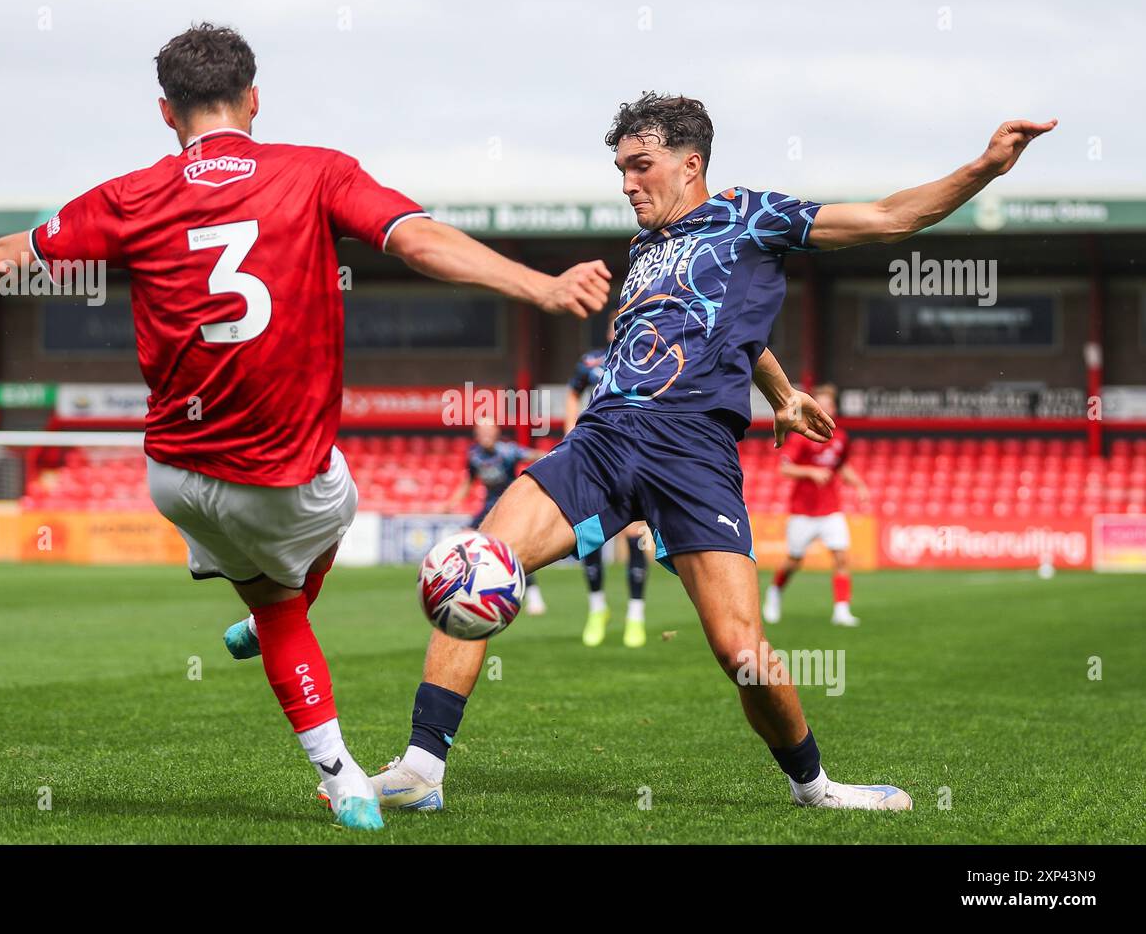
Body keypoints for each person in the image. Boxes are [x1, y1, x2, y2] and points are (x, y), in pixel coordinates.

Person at [0, 23, 610, 831]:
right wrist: (540, 288)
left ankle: (340, 777)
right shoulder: (315, 172)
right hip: (288, 480)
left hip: (173, 475)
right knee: (312, 558)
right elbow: (418, 241)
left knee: (274, 606)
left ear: (167, 112)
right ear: (255, 98)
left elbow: (10, 256)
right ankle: (332, 750)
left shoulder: (131, 196)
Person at [369, 92, 1055, 813]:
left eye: (642, 166)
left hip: (694, 453)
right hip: (604, 438)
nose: (628, 183)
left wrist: (984, 167)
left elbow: (889, 218)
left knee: (741, 651)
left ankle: (813, 785)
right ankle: (421, 767)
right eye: (620, 170)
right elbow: (734, 332)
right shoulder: (643, 249)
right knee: (481, 562)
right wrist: (783, 394)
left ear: (690, 164)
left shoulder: (753, 215)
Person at [565, 313, 649, 648]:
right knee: (589, 532)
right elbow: (573, 392)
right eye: (618, 321)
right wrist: (571, 429)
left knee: (633, 534)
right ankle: (598, 609)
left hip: (634, 454)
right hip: (595, 452)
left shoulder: (647, 359)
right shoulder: (591, 361)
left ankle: (636, 616)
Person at [764, 384, 871, 627]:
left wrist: (860, 486)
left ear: (833, 408)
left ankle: (841, 610)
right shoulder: (800, 435)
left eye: (827, 404)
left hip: (831, 509)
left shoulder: (840, 437)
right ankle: (774, 593)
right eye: (819, 403)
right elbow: (784, 467)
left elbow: (840, 467)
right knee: (794, 561)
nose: (823, 407)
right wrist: (811, 472)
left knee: (842, 558)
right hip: (803, 511)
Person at [443, 421, 548, 615]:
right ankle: (466, 591)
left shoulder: (508, 452)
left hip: (510, 506)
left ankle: (533, 595)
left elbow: (533, 455)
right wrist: (452, 502)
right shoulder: (474, 455)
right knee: (464, 538)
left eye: (489, 430)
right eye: (482, 431)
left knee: (514, 551)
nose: (486, 434)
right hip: (489, 506)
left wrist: (555, 457)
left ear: (496, 432)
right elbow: (468, 481)